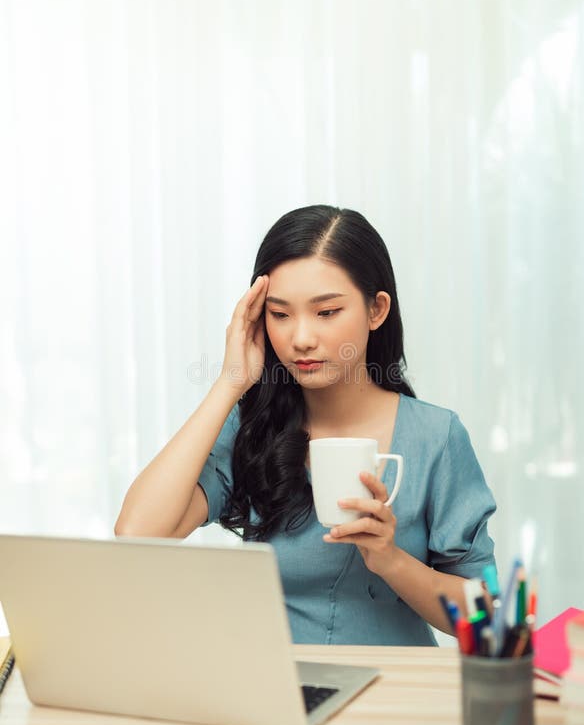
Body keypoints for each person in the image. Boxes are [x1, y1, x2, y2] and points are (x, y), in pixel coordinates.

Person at [115, 205, 496, 645]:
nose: (300, 339)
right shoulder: (252, 429)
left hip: (393, 684)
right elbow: (138, 532)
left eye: (327, 312)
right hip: (274, 682)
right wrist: (230, 384)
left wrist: (391, 560)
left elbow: (485, 618)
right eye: (279, 314)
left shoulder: (436, 437)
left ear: (376, 310)